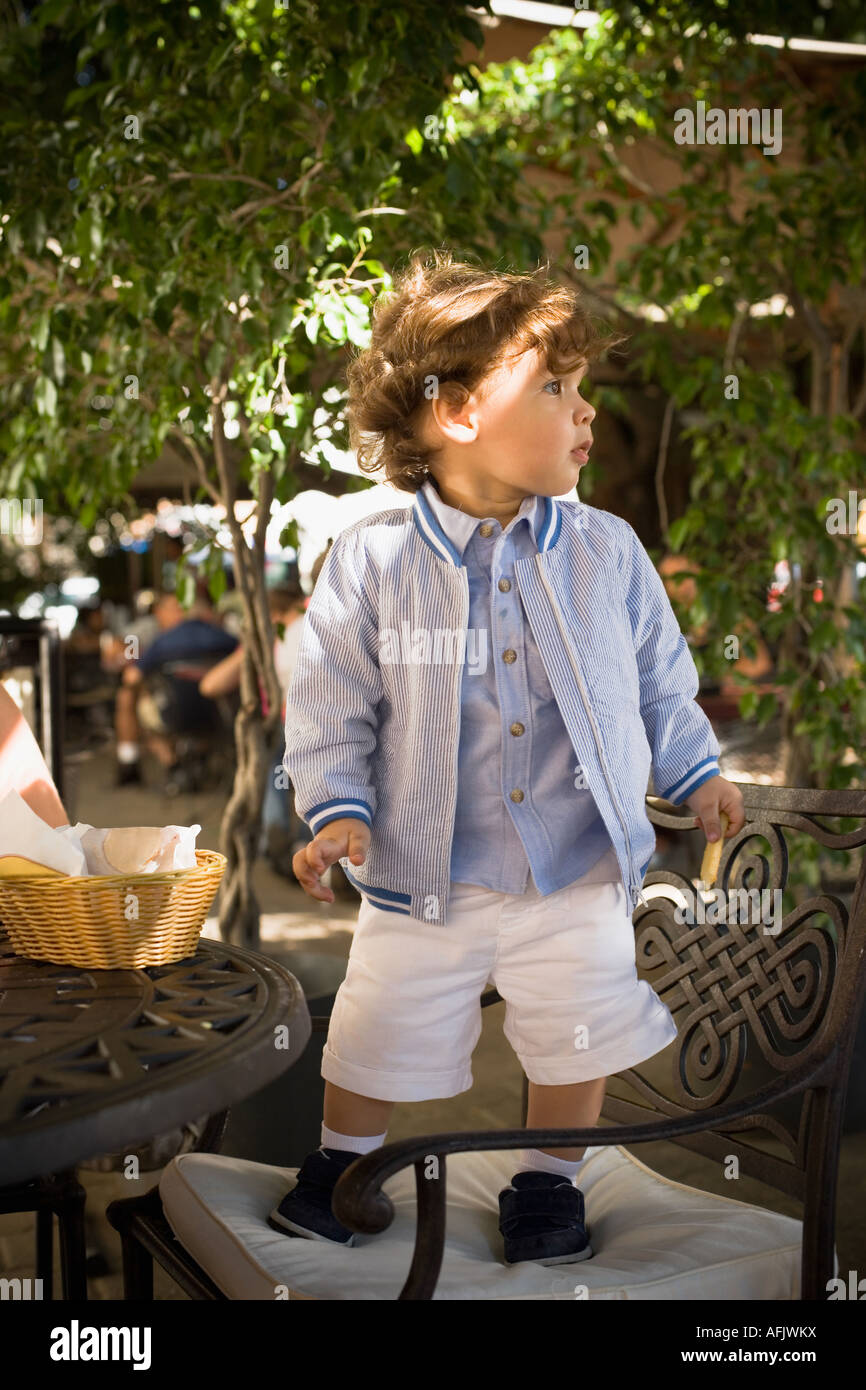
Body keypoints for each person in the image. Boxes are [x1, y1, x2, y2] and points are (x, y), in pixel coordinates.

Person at [274, 251, 745, 1266]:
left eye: (581, 390)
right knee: (373, 1024)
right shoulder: (372, 560)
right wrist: (337, 811)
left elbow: (662, 681)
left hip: (572, 864)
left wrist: (696, 773)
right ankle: (339, 1161)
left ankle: (546, 1181)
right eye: (553, 388)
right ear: (453, 414)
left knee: (576, 1022)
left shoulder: (605, 551)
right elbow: (330, 703)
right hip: (421, 868)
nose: (584, 412)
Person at [199, 582, 310, 874]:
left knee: (273, 762)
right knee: (299, 772)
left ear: (270, 613)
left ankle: (275, 833)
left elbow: (210, 685)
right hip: (324, 723)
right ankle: (302, 842)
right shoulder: (324, 617)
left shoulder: (275, 635)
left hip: (290, 722)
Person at [114, 581, 238, 785]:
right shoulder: (225, 638)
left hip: (174, 715)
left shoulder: (162, 642)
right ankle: (193, 759)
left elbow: (131, 677)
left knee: (136, 706)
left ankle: (171, 763)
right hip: (220, 715)